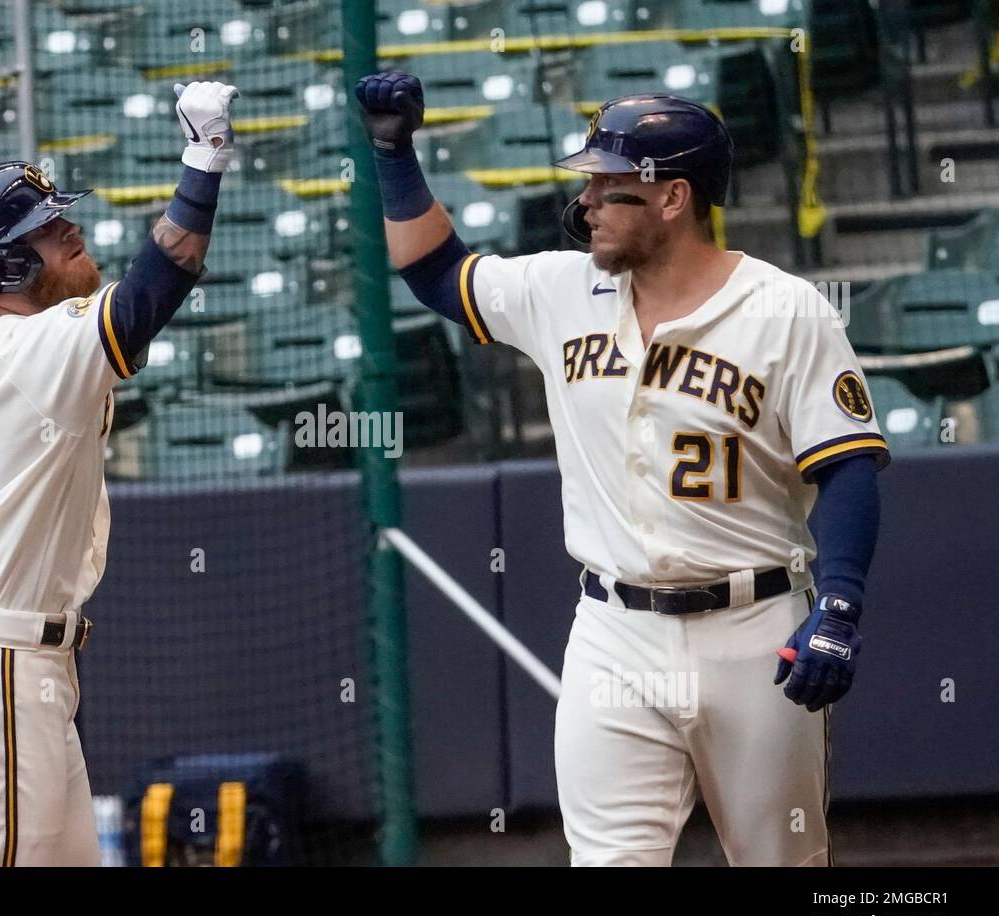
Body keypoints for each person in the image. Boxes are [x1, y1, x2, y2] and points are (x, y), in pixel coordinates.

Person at [356, 71, 888, 866]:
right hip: (615, 632)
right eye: (591, 184)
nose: (588, 203)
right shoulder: (562, 289)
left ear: (673, 197)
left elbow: (850, 467)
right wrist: (394, 152)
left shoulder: (785, 310)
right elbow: (434, 272)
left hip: (755, 627)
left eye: (610, 185)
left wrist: (839, 610)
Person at [0, 80, 240, 866]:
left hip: (2, 663)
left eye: (61, 217)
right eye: (47, 228)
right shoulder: (44, 343)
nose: (70, 231)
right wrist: (203, 160)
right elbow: (160, 283)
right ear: (5, 262)